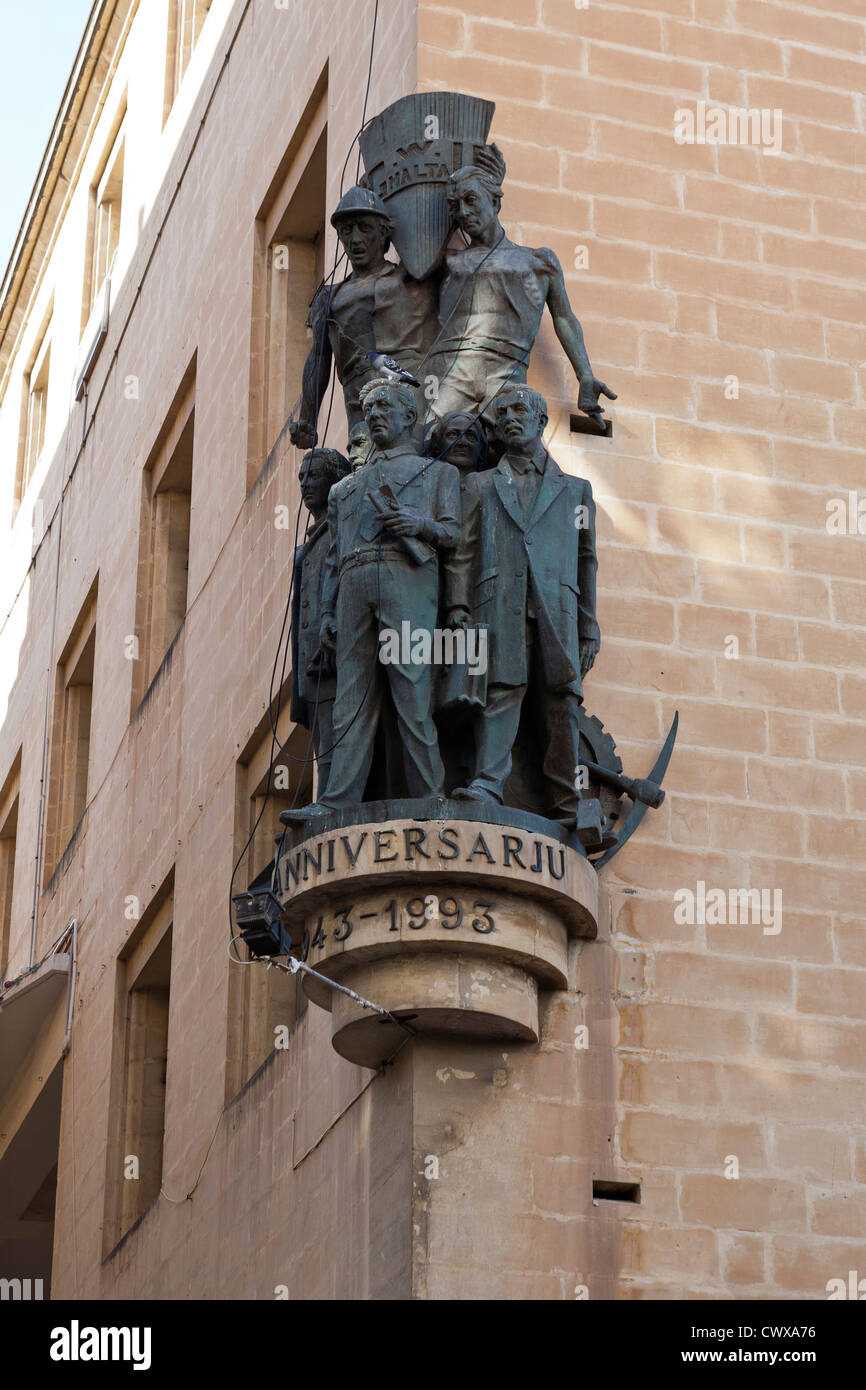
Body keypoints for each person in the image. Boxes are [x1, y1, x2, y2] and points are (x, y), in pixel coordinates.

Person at [289, 380, 460, 816]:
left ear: (409, 416)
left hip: (407, 577)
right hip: (353, 582)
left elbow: (451, 533)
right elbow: (331, 560)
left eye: (385, 406)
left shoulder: (438, 473)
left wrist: (416, 524)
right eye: (369, 409)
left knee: (412, 688)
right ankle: (335, 800)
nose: (376, 414)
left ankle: (429, 795)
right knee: (351, 696)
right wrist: (328, 610)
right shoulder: (344, 489)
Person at [446, 385, 601, 828]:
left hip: (558, 611)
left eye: (519, 410)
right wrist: (458, 605)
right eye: (503, 413)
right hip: (499, 604)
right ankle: (488, 783)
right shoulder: (479, 484)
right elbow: (462, 551)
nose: (510, 418)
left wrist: (589, 627)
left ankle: (566, 802)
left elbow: (586, 562)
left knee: (561, 704)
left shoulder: (576, 492)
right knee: (502, 691)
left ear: (539, 421)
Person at [427, 163, 616, 427]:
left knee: (518, 443)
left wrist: (584, 375)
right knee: (429, 440)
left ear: (494, 202)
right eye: (455, 206)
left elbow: (564, 317)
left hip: (506, 371)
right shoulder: (448, 262)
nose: (464, 212)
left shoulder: (538, 261)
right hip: (452, 371)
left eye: (471, 200)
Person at [289, 187, 435, 448]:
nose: (355, 239)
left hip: (412, 394)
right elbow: (319, 357)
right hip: (359, 400)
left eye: (364, 228)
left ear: (384, 233)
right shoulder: (329, 298)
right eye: (346, 231)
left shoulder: (412, 280)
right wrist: (308, 420)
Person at [290, 448, 352, 795]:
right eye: (301, 478)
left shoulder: (342, 528)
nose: (305, 484)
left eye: (312, 475)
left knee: (334, 736)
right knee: (320, 741)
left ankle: (330, 801)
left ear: (335, 478)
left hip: (332, 655)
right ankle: (324, 800)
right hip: (310, 665)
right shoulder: (307, 546)